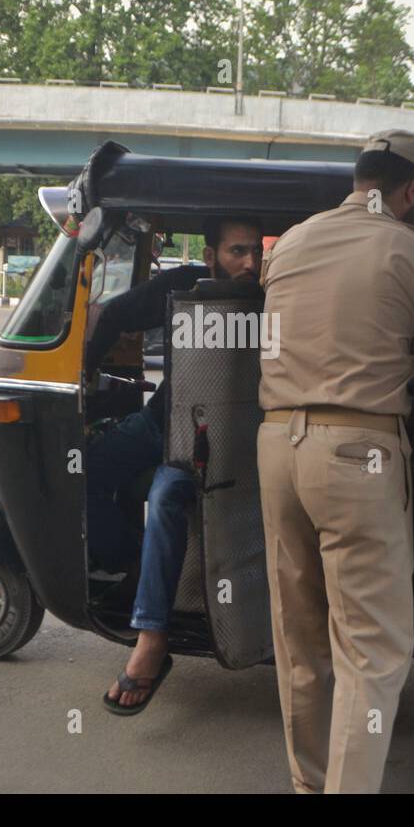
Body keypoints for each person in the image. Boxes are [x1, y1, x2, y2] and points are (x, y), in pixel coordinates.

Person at [257, 129, 414, 793]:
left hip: (277, 444)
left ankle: (311, 786)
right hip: (358, 454)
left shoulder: (290, 242)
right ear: (412, 191)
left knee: (300, 640)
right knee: (372, 653)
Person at [89, 217, 263, 714]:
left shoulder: (273, 297)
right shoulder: (182, 286)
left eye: (255, 252)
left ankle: (152, 637)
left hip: (215, 441)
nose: (249, 263)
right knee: (85, 473)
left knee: (166, 497)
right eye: (237, 252)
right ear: (211, 257)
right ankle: (134, 568)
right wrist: (86, 372)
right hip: (159, 420)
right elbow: (114, 314)